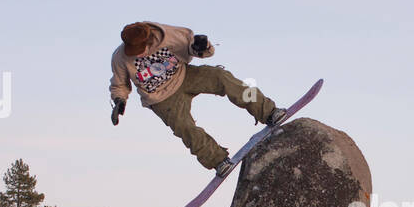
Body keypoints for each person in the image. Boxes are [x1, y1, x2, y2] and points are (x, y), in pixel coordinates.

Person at [109, 21, 286, 178]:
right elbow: (119, 84)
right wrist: (119, 101)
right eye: (133, 53)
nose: (137, 56)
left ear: (149, 40)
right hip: (160, 99)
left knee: (221, 77)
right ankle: (218, 160)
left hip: (184, 75)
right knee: (184, 127)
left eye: (140, 51)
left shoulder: (170, 36)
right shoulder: (120, 57)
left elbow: (199, 50)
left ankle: (268, 111)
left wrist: (202, 47)